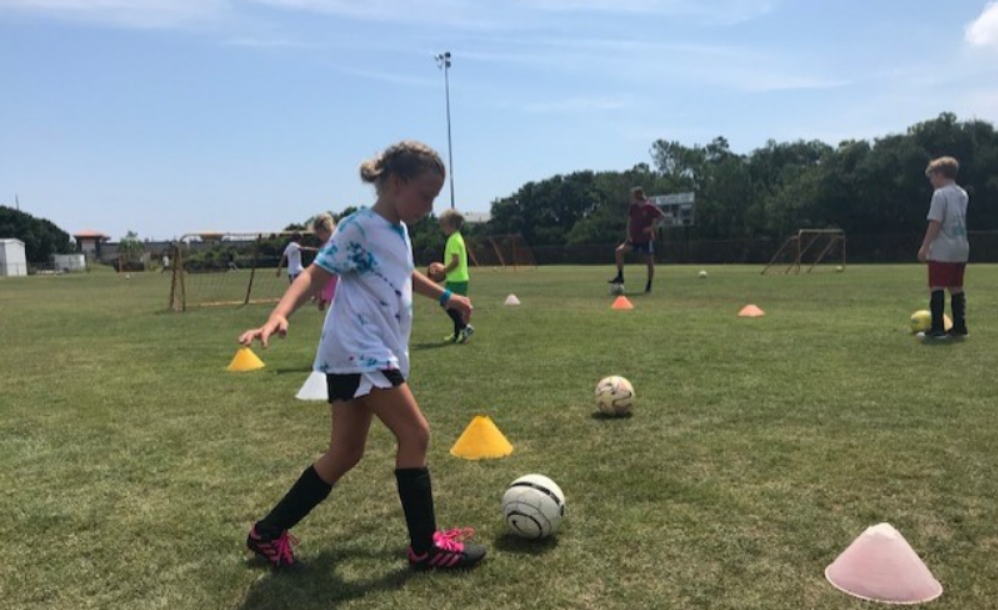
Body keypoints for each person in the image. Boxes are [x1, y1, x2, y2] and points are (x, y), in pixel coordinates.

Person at [239, 140, 487, 571]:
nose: (429, 207)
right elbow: (316, 273)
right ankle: (425, 548)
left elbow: (402, 274)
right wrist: (278, 315)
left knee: (345, 453)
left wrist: (445, 295)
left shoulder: (398, 231)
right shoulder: (357, 227)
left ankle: (266, 533)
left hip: (362, 354)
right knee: (417, 435)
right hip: (360, 351)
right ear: (396, 183)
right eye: (425, 195)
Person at [917, 156, 970, 340]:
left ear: (940, 174)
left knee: (937, 286)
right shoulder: (962, 193)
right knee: (956, 286)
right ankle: (960, 326)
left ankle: (937, 329)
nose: (931, 181)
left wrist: (925, 247)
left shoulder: (940, 195)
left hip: (943, 248)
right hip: (961, 246)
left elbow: (935, 222)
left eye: (932, 176)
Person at [607, 187, 666, 293]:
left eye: (632, 196)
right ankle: (620, 276)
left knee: (649, 263)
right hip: (634, 239)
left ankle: (649, 284)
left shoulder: (649, 207)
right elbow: (629, 222)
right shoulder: (633, 208)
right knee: (619, 251)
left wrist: (651, 227)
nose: (630, 198)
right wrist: (627, 236)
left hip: (646, 240)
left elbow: (662, 216)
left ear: (637, 196)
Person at [438, 209, 474, 343]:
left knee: (445, 303)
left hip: (456, 279)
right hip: (459, 278)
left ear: (451, 225)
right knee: (455, 308)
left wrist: (443, 271)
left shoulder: (453, 240)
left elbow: (455, 261)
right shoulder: (458, 237)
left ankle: (465, 327)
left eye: (444, 225)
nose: (442, 229)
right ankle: (457, 335)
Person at [310, 213, 338, 311]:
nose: (320, 236)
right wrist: (321, 296)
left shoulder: (327, 248)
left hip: (339, 290)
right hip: (334, 290)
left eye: (320, 233)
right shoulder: (324, 249)